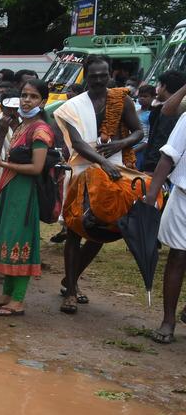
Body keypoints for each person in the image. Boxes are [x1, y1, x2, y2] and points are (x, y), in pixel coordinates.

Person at [53, 54, 144, 314]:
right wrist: (101, 163)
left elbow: (138, 131)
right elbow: (79, 143)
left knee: (103, 229)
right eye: (93, 75)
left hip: (115, 169)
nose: (99, 80)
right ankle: (70, 291)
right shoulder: (73, 105)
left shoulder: (121, 99)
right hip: (82, 167)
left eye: (103, 75)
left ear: (111, 73)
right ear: (85, 74)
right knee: (74, 228)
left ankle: (71, 280)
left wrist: (120, 144)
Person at [0, 79, 55, 318]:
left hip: (24, 192)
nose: (26, 100)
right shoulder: (22, 126)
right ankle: (6, 295)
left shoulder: (41, 129)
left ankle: (18, 301)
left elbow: (37, 167)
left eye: (33, 96)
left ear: (42, 101)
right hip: (10, 188)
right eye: (24, 95)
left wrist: (3, 163)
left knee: (18, 243)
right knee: (5, 239)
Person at [144, 111, 186, 343]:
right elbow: (169, 155)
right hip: (183, 197)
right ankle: (168, 321)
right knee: (178, 257)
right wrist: (151, 196)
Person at [144, 70, 186, 175]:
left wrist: (151, 166)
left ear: (164, 86)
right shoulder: (161, 107)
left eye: (159, 85)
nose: (156, 89)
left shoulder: (174, 110)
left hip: (160, 168)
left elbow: (160, 138)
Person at [134, 84, 156, 169]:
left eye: (145, 96)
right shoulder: (135, 109)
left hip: (141, 148)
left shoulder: (152, 114)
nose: (142, 98)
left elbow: (149, 136)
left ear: (153, 97)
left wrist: (136, 150)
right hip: (130, 146)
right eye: (140, 96)